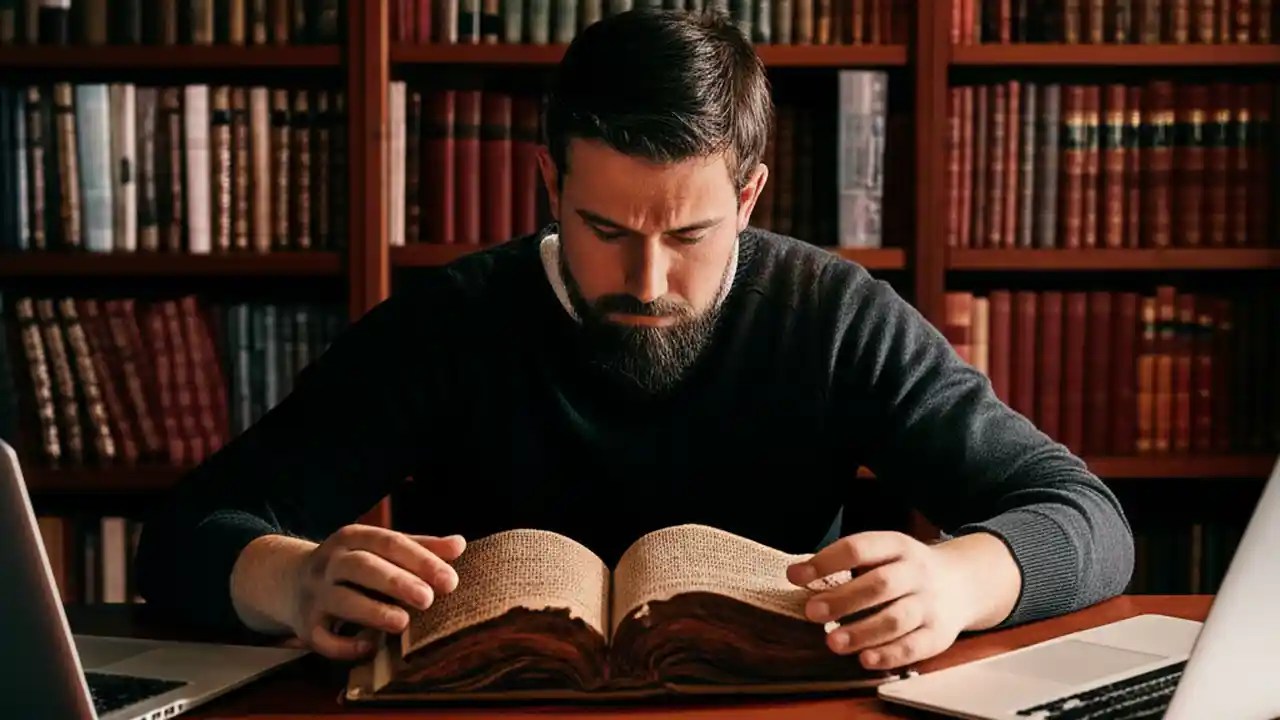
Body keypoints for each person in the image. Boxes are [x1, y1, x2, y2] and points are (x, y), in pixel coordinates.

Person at [134, 9, 1134, 674]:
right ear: (548, 186)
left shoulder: (827, 312)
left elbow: (1081, 515)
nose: (646, 282)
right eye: (604, 231)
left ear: (747, 196)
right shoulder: (452, 321)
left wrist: (955, 581)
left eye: (689, 235)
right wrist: (295, 577)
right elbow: (182, 537)